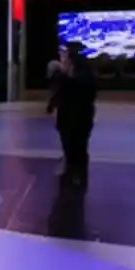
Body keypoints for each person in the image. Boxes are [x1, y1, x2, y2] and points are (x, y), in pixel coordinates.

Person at [48, 43, 96, 188]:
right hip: (67, 118)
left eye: (65, 55)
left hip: (79, 117)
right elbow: (59, 94)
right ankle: (71, 173)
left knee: (78, 148)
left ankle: (77, 176)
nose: (63, 58)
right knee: (70, 147)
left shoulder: (83, 75)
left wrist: (61, 74)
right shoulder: (69, 74)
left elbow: (76, 90)